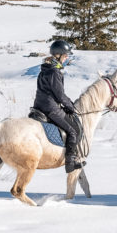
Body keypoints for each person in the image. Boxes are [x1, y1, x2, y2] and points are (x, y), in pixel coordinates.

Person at [34, 38, 84, 174]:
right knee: (73, 131)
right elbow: (60, 95)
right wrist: (71, 107)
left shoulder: (44, 69)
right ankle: (70, 162)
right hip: (50, 108)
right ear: (59, 55)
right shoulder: (55, 72)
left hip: (39, 105)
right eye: (66, 55)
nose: (67, 57)